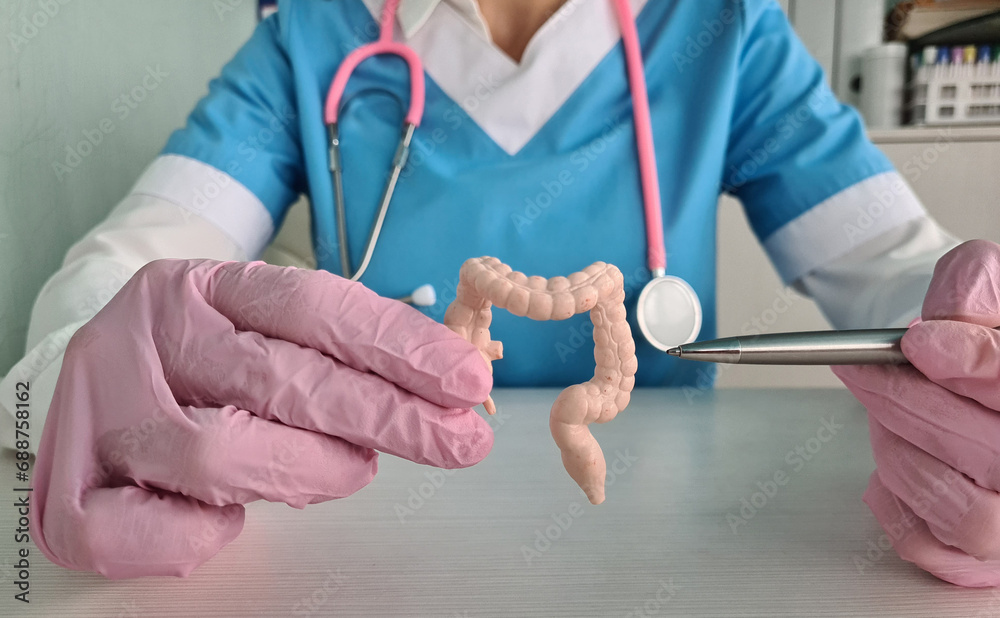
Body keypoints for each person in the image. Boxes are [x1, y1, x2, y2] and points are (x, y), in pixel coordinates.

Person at [1, 0, 998, 585]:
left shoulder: (720, 30)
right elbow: (124, 271)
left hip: (665, 549)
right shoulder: (311, 37)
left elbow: (901, 272)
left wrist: (975, 342)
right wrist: (78, 369)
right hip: (377, 557)